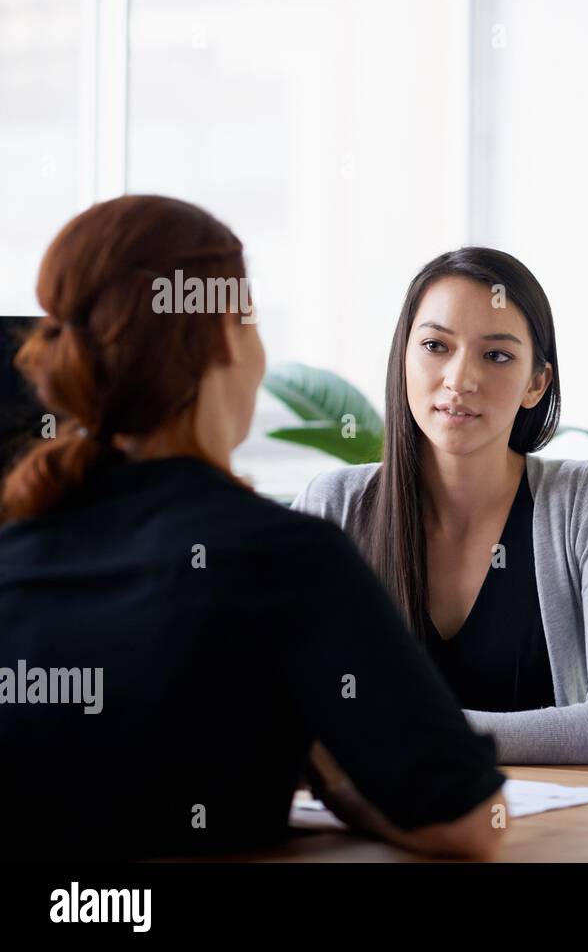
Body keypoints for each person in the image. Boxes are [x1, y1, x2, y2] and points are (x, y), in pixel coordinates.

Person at [0, 195, 506, 860]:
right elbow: (470, 822)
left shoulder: (19, 547)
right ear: (226, 338)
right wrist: (333, 773)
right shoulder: (288, 557)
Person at [292, 248, 588, 766]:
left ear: (537, 383)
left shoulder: (585, 499)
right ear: (403, 359)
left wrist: (410, 725)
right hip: (378, 831)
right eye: (435, 346)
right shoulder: (334, 505)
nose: (460, 379)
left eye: (496, 355)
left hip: (556, 834)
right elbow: (282, 703)